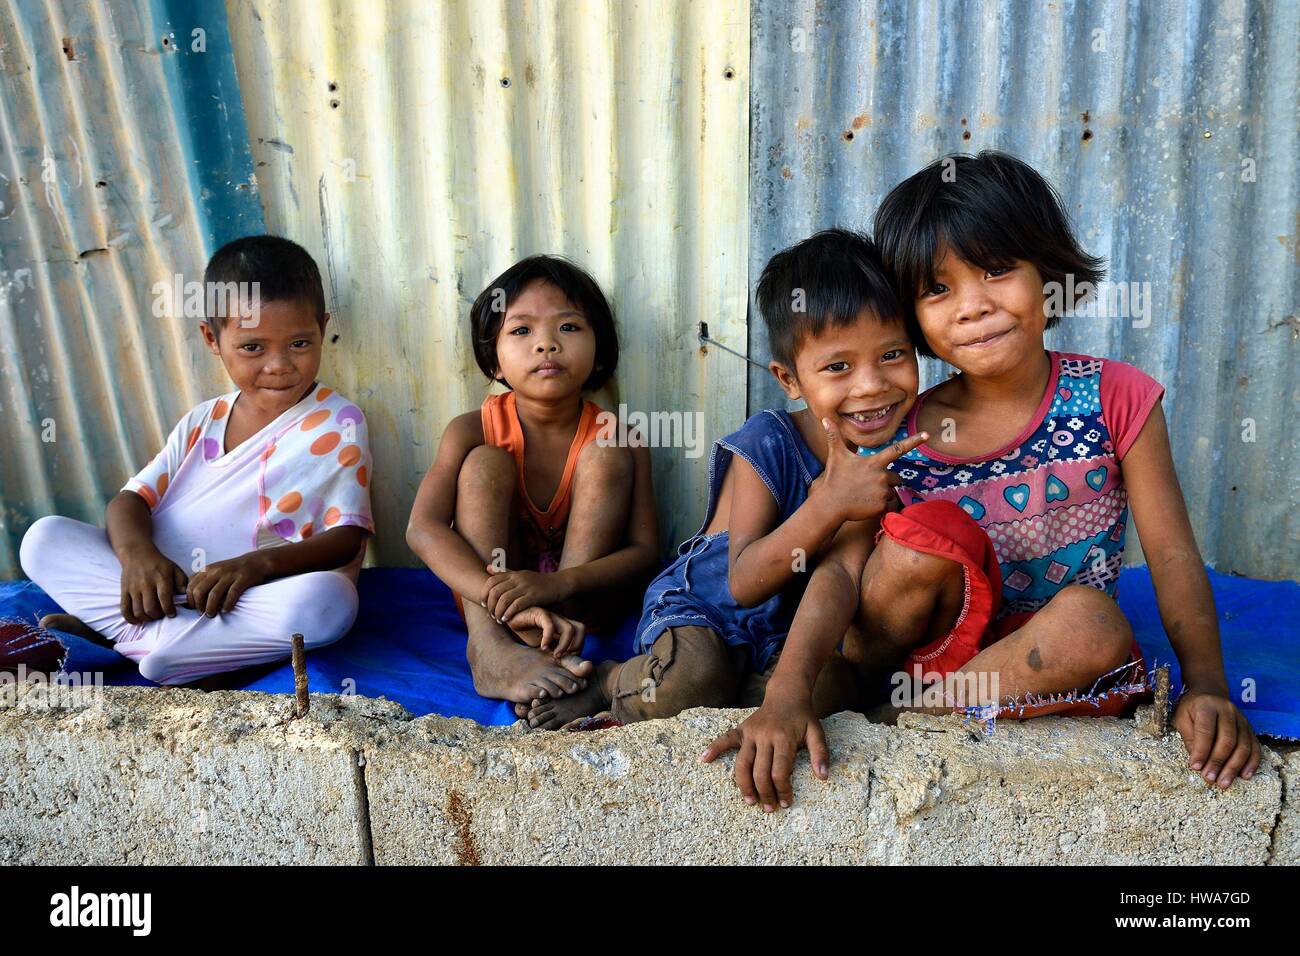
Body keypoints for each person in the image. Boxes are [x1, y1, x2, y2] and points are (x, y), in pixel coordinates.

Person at [704, 151, 1260, 812]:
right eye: (938, 289)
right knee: (925, 538)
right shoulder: (899, 427)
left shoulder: (1117, 397)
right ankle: (874, 696)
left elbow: (1170, 554)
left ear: (1048, 274)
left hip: (1035, 660)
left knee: (1095, 621)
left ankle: (901, 719)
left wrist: (1207, 686)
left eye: (997, 270)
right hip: (910, 651)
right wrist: (789, 689)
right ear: (910, 312)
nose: (973, 307)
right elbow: (841, 573)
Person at [525, 229, 927, 730]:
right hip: (711, 611)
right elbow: (744, 581)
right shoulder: (768, 441)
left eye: (892, 355)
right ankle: (610, 681)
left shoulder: (899, 454)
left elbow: (842, 573)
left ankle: (742, 693)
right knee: (688, 684)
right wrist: (829, 505)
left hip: (793, 633)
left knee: (826, 695)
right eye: (838, 366)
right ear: (790, 380)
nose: (871, 385)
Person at [20, 235, 372, 684]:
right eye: (253, 347)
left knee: (328, 602)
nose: (280, 364)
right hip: (160, 591)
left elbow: (347, 538)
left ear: (323, 328)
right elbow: (130, 502)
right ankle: (170, 646)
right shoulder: (203, 419)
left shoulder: (338, 421)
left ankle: (134, 640)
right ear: (212, 338)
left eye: (300, 343)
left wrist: (254, 566)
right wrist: (138, 558)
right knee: (43, 538)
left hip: (244, 599)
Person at [407, 255, 658, 711]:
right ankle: (488, 650)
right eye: (522, 331)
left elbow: (644, 552)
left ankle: (556, 645)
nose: (546, 345)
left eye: (568, 328)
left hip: (582, 605)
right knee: (485, 464)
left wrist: (558, 588)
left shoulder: (622, 436)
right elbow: (422, 528)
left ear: (599, 350)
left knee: (606, 453)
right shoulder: (470, 429)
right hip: (496, 608)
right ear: (494, 361)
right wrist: (499, 599)